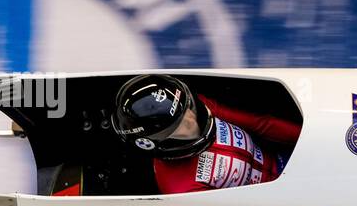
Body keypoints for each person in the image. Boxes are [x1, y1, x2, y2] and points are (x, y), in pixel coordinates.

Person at [110, 74, 300, 194]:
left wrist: (308, 140)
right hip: (283, 196)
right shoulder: (180, 188)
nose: (192, 120)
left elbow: (261, 124)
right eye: (179, 126)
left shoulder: (201, 108)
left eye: (189, 110)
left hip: (288, 159)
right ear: (159, 143)